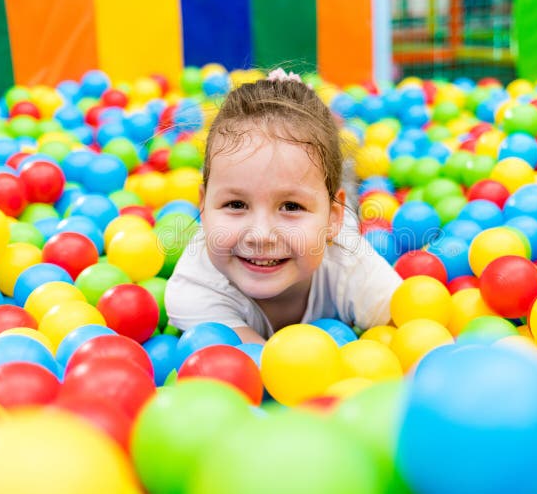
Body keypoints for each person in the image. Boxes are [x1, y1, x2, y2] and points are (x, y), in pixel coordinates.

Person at [164, 68, 403, 344]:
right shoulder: (197, 286)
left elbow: (413, 335)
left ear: (331, 219)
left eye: (290, 206)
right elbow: (260, 368)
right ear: (203, 207)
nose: (261, 235)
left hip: (335, 234)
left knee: (346, 204)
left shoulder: (353, 265)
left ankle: (344, 179)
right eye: (236, 204)